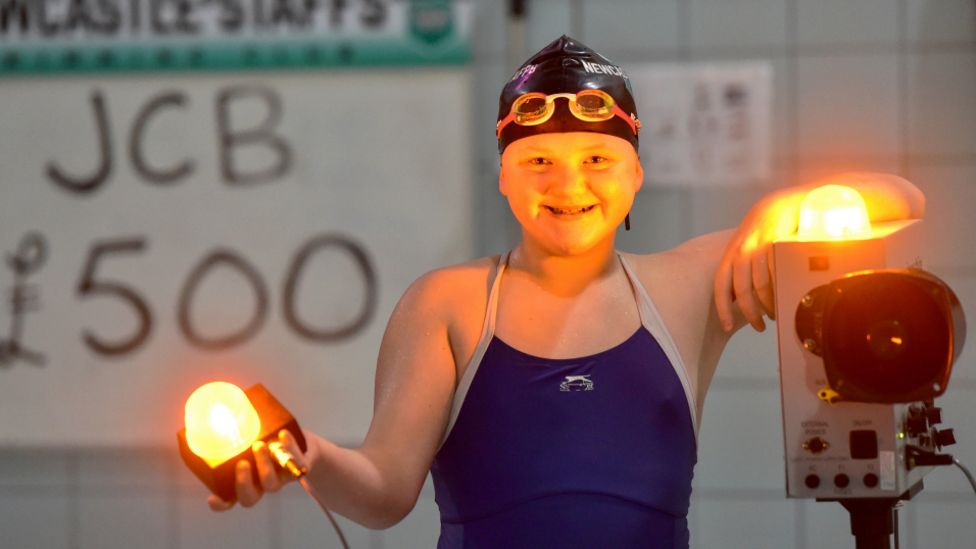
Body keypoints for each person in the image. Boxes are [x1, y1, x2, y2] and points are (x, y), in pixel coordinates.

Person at [207, 36, 925, 548]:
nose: (569, 183)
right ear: (504, 177)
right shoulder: (450, 305)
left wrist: (791, 207)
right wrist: (303, 451)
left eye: (598, 158)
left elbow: (901, 200)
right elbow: (384, 490)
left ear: (636, 174)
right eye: (539, 160)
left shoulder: (689, 286)